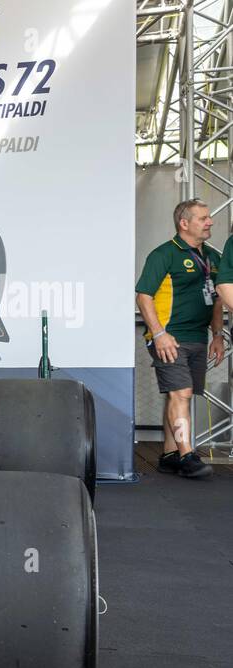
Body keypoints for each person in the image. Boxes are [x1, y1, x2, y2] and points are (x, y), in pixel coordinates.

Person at [136, 199, 225, 478]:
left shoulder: (212, 256)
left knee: (179, 396)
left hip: (198, 337)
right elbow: (143, 296)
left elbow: (217, 298)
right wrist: (159, 334)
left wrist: (218, 335)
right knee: (181, 394)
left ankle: (170, 454)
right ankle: (187, 455)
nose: (210, 222)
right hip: (170, 339)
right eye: (203, 218)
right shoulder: (164, 254)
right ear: (184, 224)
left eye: (209, 217)